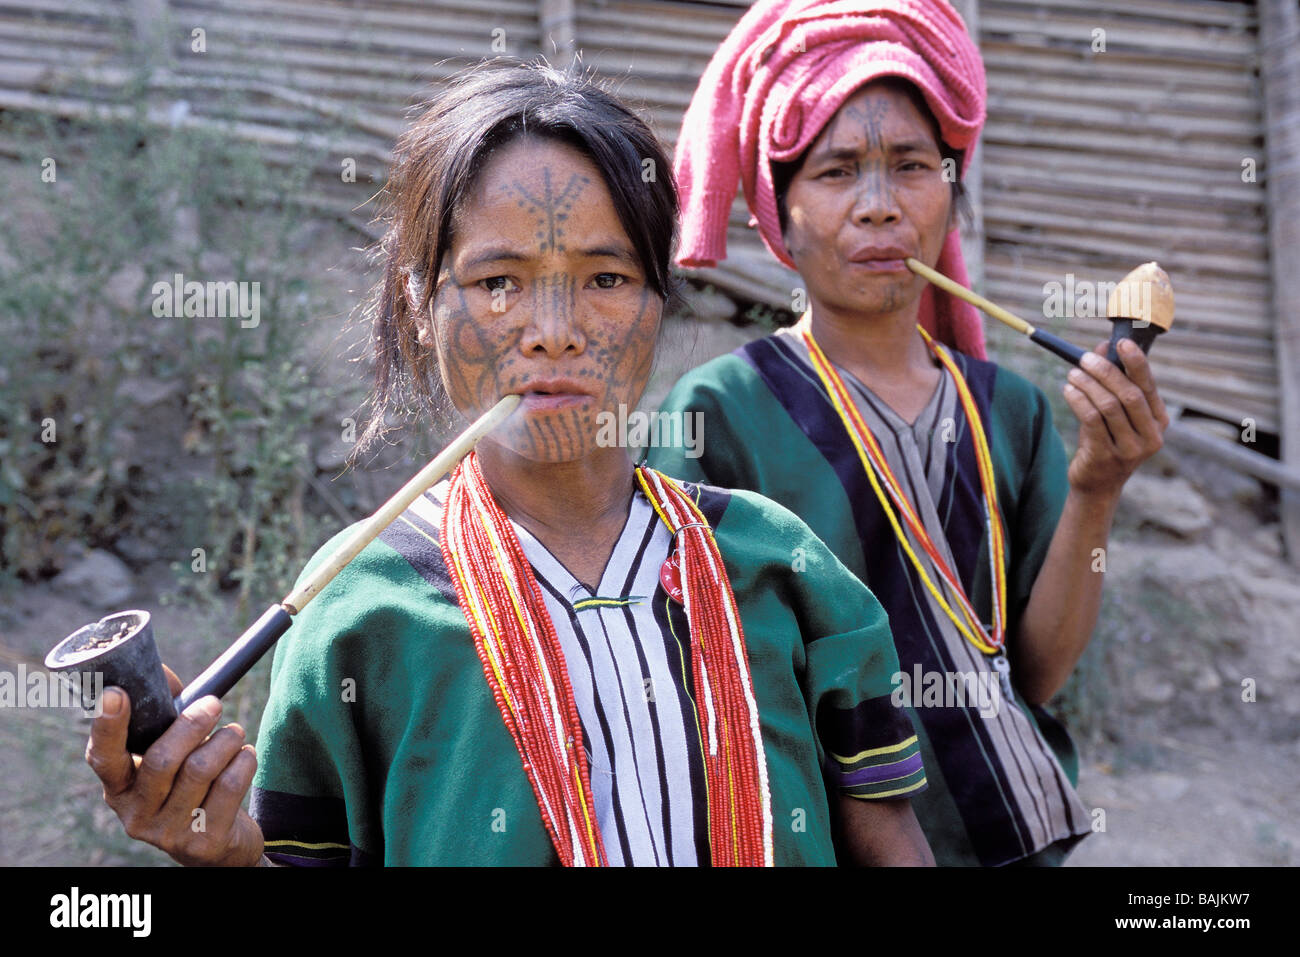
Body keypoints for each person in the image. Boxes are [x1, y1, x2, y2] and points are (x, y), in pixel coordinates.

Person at [83, 60, 935, 867]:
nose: (554, 329)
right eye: (498, 283)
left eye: (606, 277)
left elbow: (889, 840)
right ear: (422, 306)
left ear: (657, 303)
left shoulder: (779, 563)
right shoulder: (357, 609)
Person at [647, 0, 1169, 866]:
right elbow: (707, 689)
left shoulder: (1010, 410)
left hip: (1016, 837)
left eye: (912, 166)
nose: (881, 206)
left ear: (953, 194)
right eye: (838, 171)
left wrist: (1097, 488)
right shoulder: (718, 413)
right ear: (775, 213)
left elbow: (1034, 676)